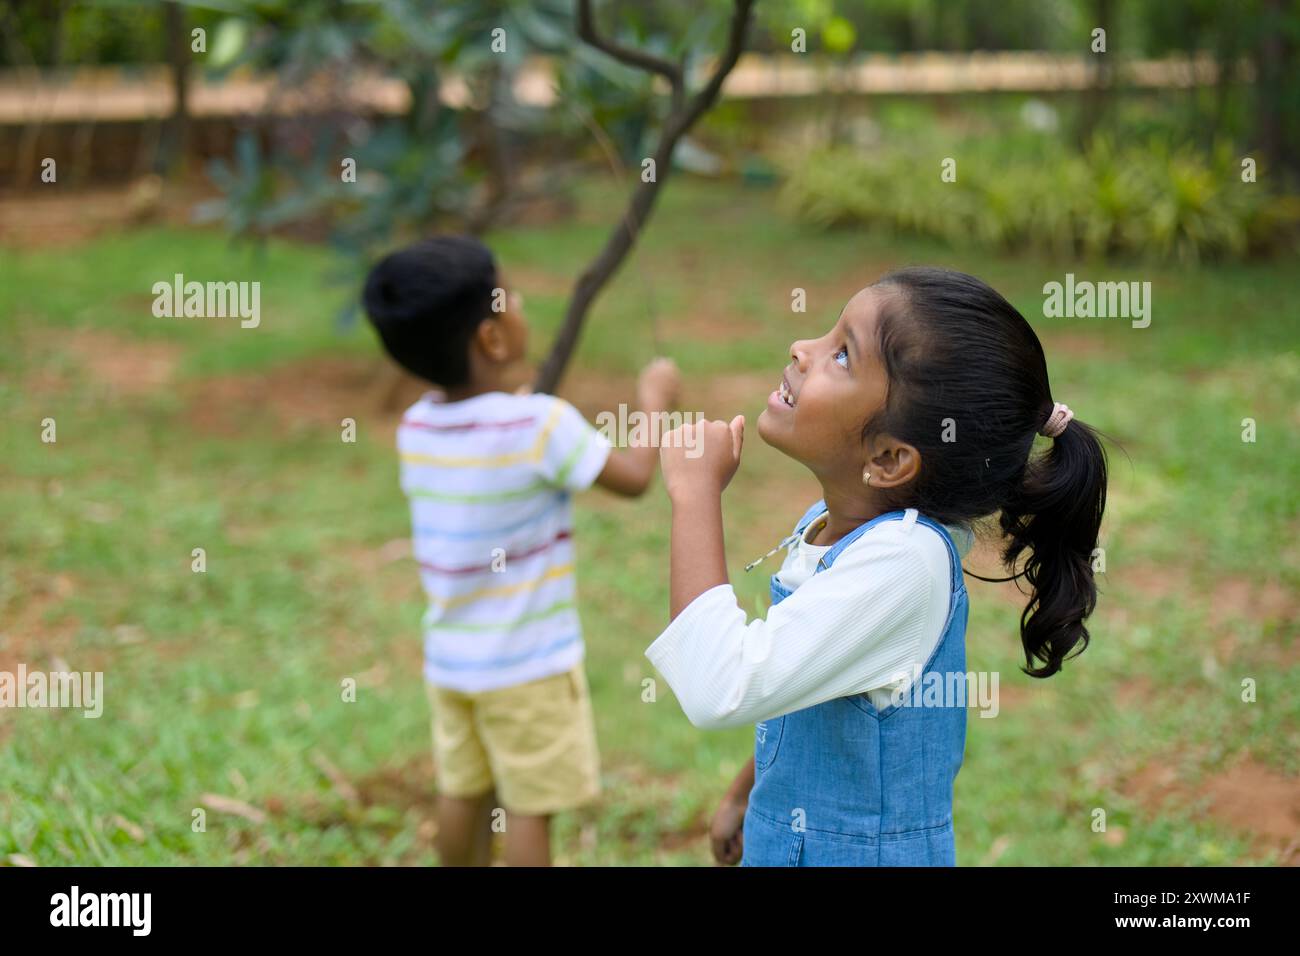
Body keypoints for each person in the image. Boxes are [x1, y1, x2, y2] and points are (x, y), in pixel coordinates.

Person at [648, 266, 1107, 866]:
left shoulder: (905, 564)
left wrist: (695, 496)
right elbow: (813, 670)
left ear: (890, 459)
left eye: (841, 355)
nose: (801, 349)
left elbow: (718, 686)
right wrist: (749, 790)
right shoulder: (839, 524)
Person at [363, 235, 679, 865]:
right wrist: (655, 401)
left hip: (452, 663)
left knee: (465, 793)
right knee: (530, 807)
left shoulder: (417, 427)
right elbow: (635, 478)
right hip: (529, 667)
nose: (524, 301)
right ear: (491, 339)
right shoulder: (539, 425)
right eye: (511, 297)